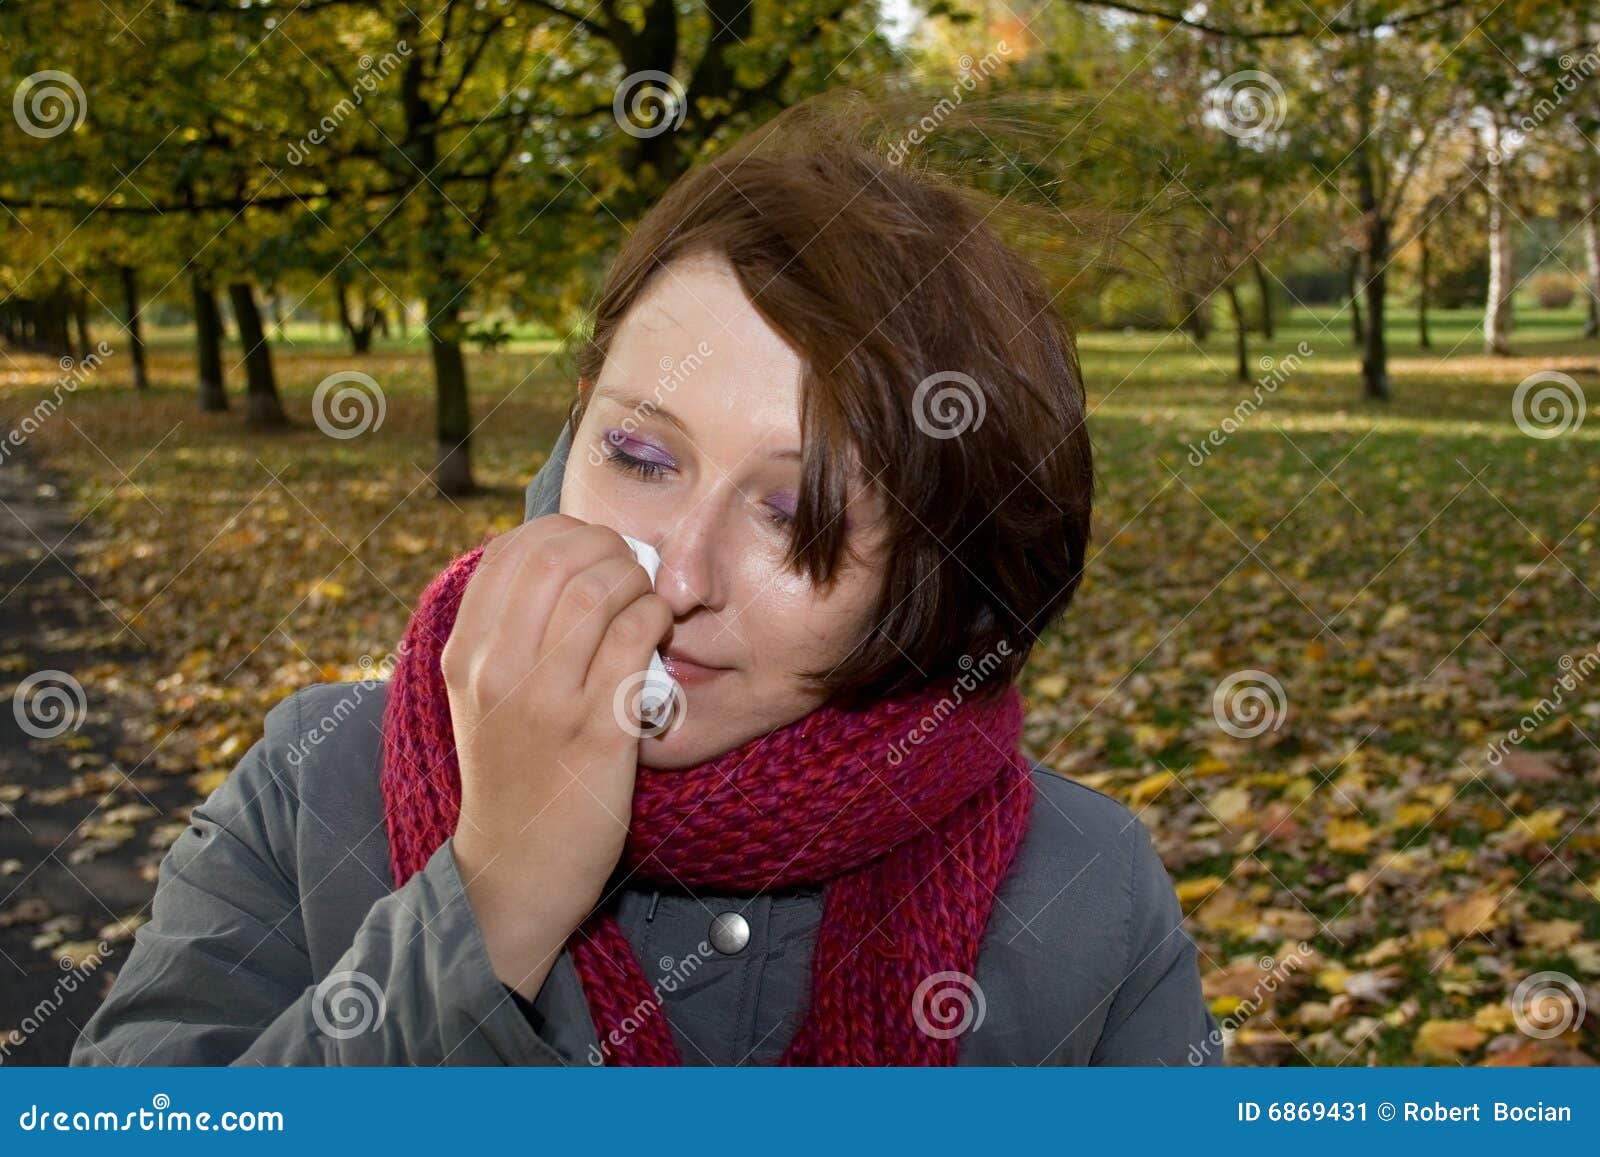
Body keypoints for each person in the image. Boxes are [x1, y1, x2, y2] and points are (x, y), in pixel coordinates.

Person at [72, 94, 1220, 1067]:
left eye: (796, 512)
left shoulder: (1088, 897)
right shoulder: (314, 781)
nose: (678, 574)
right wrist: (493, 899)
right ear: (574, 428)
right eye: (640, 456)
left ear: (935, 568)